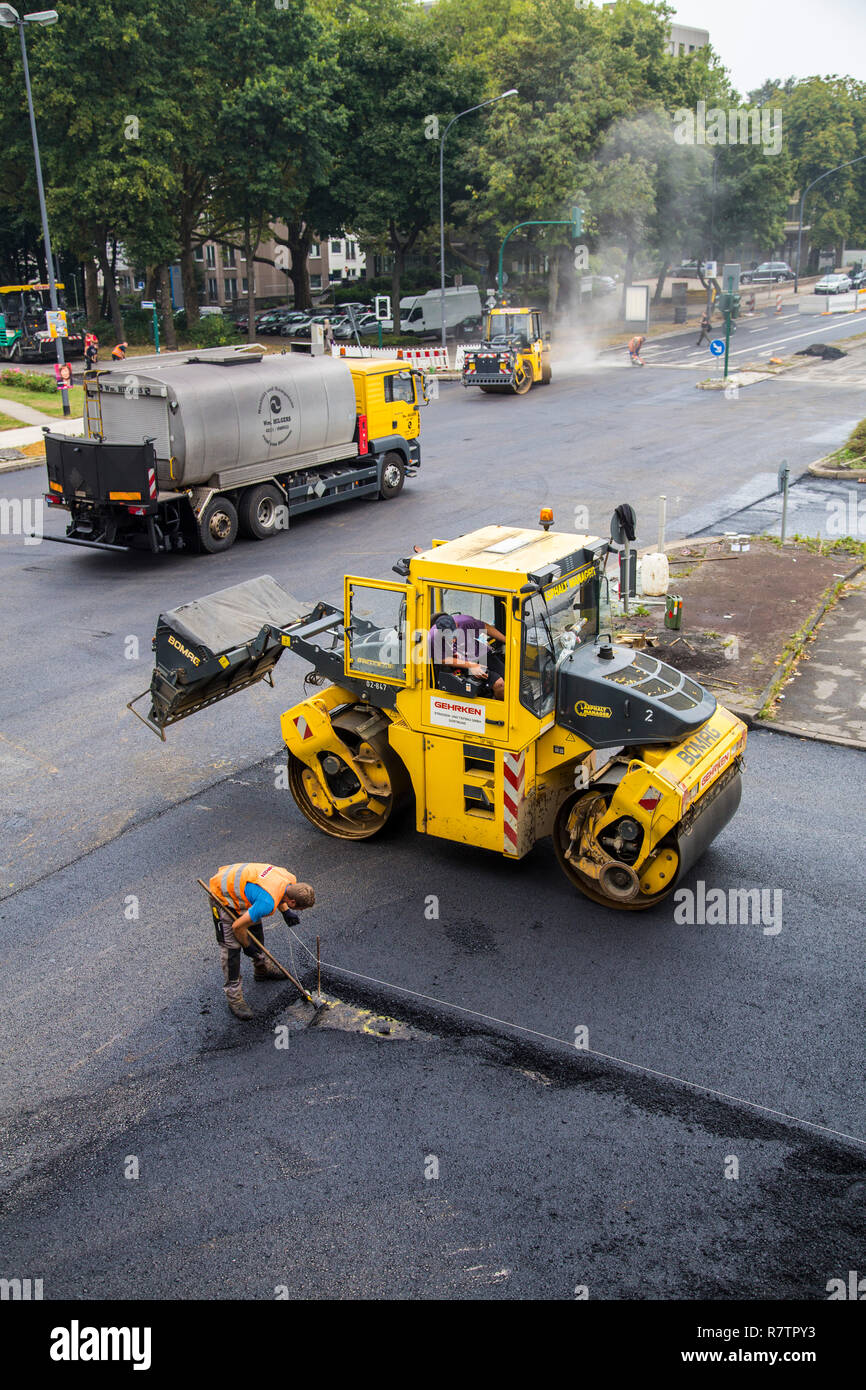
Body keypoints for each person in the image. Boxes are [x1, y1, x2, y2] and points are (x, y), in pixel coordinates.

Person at [208, 862, 316, 1019]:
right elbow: (237, 927)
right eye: (299, 909)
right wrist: (247, 946)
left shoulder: (290, 879)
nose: (299, 911)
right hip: (223, 894)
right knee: (231, 948)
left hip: (245, 888)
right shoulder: (267, 903)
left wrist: (285, 912)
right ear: (293, 901)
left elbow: (280, 892)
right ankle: (234, 998)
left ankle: (262, 969)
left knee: (256, 930)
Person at [429, 612, 506, 699]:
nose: (452, 641)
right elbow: (443, 659)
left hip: (482, 653)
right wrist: (471, 666)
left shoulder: (465, 621)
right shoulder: (432, 637)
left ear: (457, 625)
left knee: (511, 679)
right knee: (499, 684)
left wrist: (507, 641)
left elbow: (485, 627)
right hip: (462, 662)